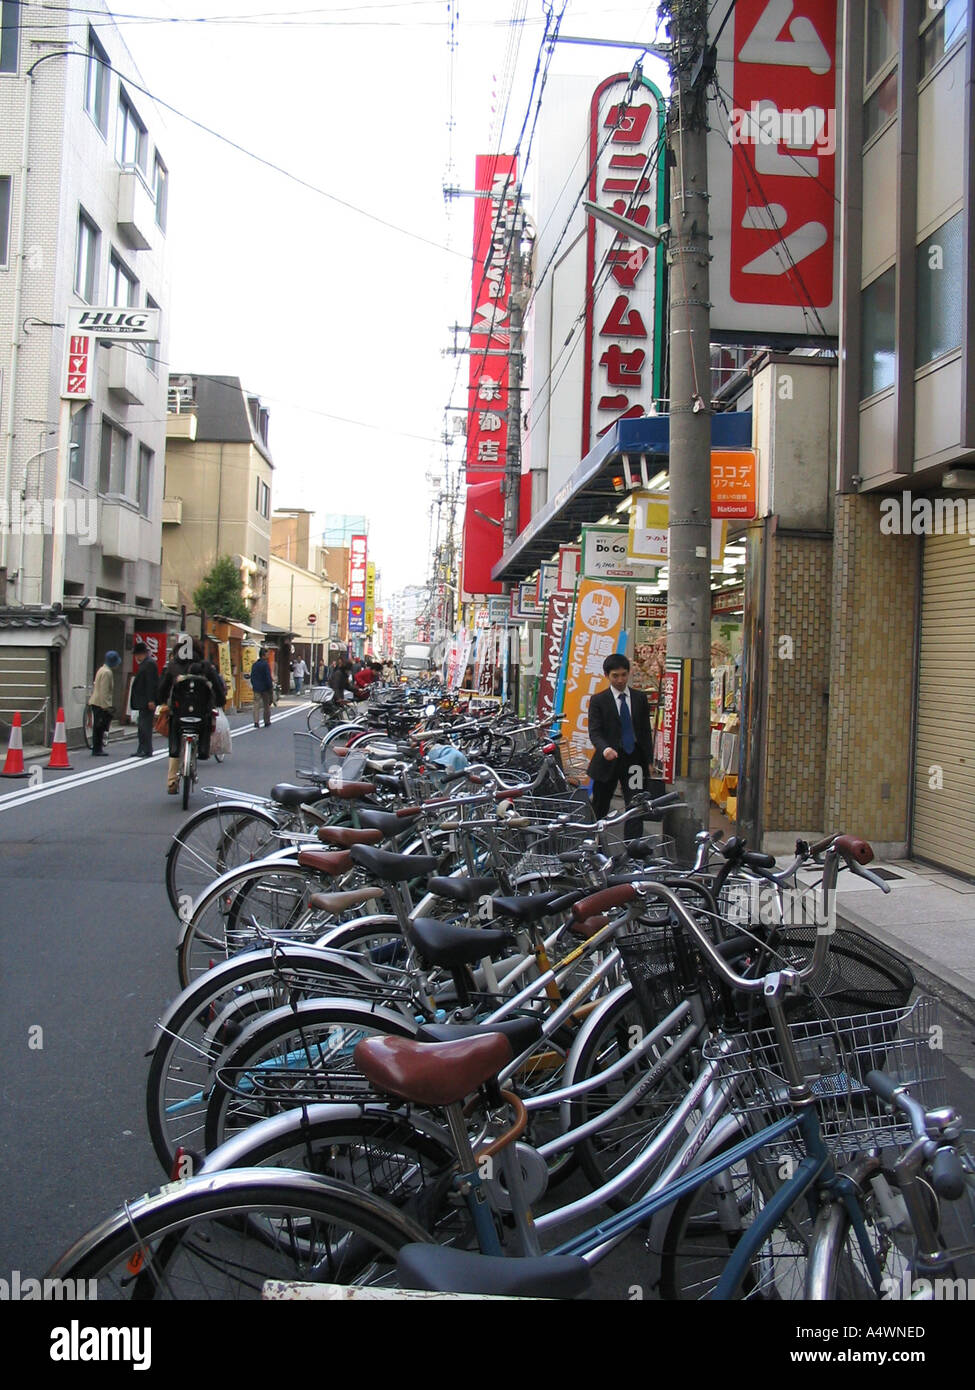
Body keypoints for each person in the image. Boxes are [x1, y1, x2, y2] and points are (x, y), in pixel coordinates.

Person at [587, 652, 663, 839]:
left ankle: (633, 852)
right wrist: (605, 749)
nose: (620, 680)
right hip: (608, 761)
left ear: (628, 674)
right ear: (607, 676)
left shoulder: (639, 698)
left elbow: (645, 731)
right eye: (615, 676)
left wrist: (649, 761)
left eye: (623, 675)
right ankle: (595, 848)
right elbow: (595, 731)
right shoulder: (598, 700)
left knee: (636, 805)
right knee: (600, 806)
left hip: (634, 761)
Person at [130, 641, 159, 758]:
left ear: (141, 654)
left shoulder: (149, 664)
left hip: (147, 701)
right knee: (142, 725)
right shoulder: (146, 664)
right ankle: (143, 748)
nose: (136, 657)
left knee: (144, 726)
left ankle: (145, 749)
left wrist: (151, 700)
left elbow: (151, 684)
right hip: (144, 701)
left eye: (137, 654)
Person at [90, 651, 121, 756]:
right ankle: (97, 749)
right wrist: (106, 707)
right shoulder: (107, 672)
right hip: (100, 703)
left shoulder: (101, 669)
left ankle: (97, 748)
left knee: (97, 726)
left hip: (96, 701)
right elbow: (104, 691)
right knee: (100, 726)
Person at [249, 648, 274, 728]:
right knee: (266, 705)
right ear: (264, 655)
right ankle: (266, 721)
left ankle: (256, 722)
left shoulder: (255, 664)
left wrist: (254, 684)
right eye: (267, 654)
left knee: (256, 704)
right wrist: (270, 687)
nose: (268, 655)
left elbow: (252, 676)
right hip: (265, 688)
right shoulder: (265, 664)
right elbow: (268, 677)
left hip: (256, 687)